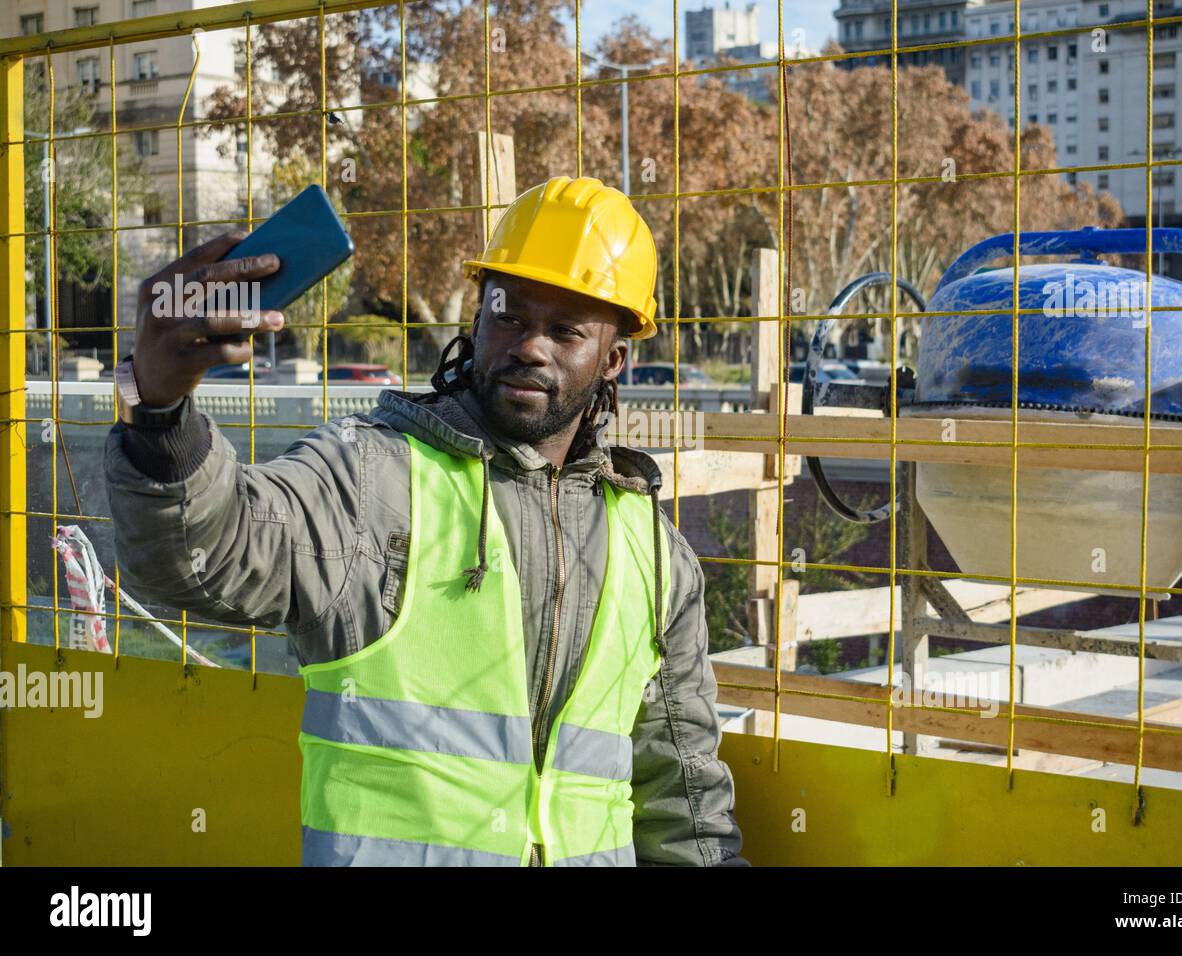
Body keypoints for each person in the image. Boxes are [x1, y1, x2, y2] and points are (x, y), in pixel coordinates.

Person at [104, 175, 748, 867]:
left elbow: (680, 799)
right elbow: (206, 556)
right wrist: (157, 408)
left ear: (613, 359)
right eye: (508, 315)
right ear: (475, 321)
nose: (529, 346)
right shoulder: (370, 478)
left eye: (565, 330)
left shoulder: (652, 550)